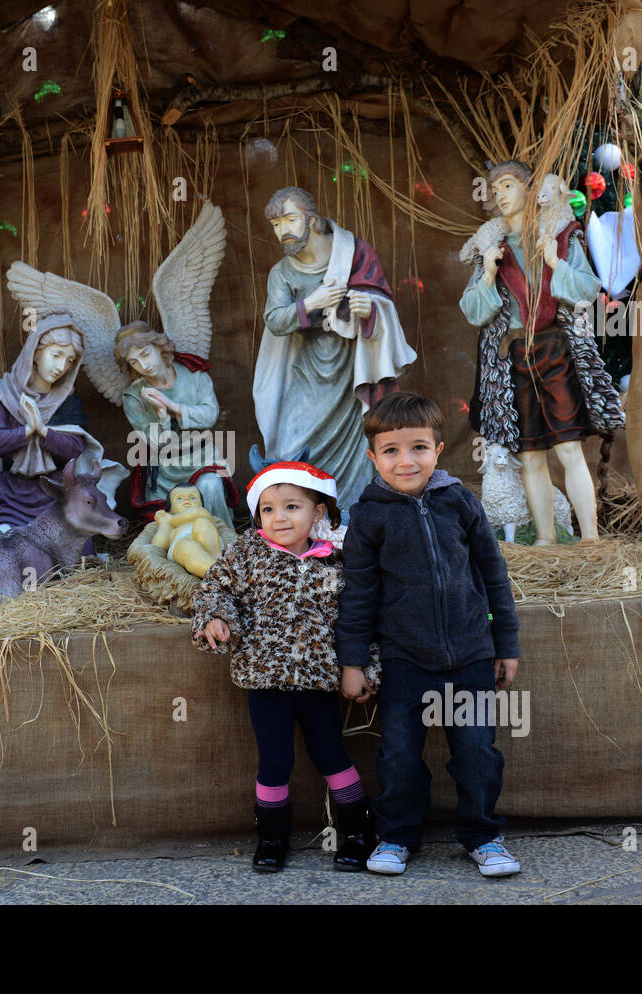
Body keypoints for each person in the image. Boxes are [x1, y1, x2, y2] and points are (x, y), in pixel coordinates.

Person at [335, 391, 522, 877]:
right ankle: (397, 837)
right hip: (404, 661)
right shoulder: (369, 516)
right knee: (398, 756)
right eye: (391, 450)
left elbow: (494, 574)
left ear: (438, 449)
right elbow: (358, 594)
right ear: (373, 457)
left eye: (418, 447)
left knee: (477, 752)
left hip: (470, 656)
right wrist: (352, 661)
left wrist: (506, 644)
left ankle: (483, 837)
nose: (406, 460)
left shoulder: (460, 501)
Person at [191, 461, 380, 873]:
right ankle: (273, 837)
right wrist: (216, 618)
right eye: (268, 509)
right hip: (266, 679)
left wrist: (366, 667)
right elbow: (214, 589)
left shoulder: (337, 563)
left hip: (319, 682)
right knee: (275, 761)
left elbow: (361, 619)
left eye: (292, 507)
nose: (279, 518)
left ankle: (359, 831)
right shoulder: (247, 553)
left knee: (332, 756)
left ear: (319, 513)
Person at [459, 160, 623, 543]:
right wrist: (487, 273)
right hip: (512, 355)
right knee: (530, 455)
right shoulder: (490, 248)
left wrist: (553, 262)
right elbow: (473, 311)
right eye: (495, 188)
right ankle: (546, 539)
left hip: (555, 350)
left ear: (531, 190)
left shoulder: (562, 236)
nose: (499, 193)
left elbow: (585, 290)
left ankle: (590, 540)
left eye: (507, 185)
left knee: (568, 447)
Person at [253, 186, 417, 519]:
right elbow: (274, 320)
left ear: (312, 220)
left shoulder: (354, 253)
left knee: (359, 447)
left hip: (352, 372)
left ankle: (348, 524)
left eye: (290, 220)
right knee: (288, 450)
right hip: (308, 369)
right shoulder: (282, 273)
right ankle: (299, 523)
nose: (283, 230)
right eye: (276, 225)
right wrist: (312, 303)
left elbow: (381, 302)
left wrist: (369, 308)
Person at [0, 312, 127, 544]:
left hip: (57, 495)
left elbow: (74, 448)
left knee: (73, 554)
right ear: (35, 352)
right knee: (10, 548)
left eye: (70, 360)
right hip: (13, 495)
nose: (62, 366)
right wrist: (26, 431)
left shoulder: (67, 400)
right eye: (56, 355)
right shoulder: (3, 394)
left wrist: (43, 430)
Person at [115, 322, 236, 528]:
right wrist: (162, 416)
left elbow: (210, 415)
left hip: (203, 459)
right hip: (165, 471)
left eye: (146, 354)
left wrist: (173, 406)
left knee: (210, 486)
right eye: (134, 362)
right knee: (171, 526)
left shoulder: (195, 375)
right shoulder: (134, 397)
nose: (144, 366)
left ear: (159, 347)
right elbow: (154, 443)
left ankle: (225, 547)